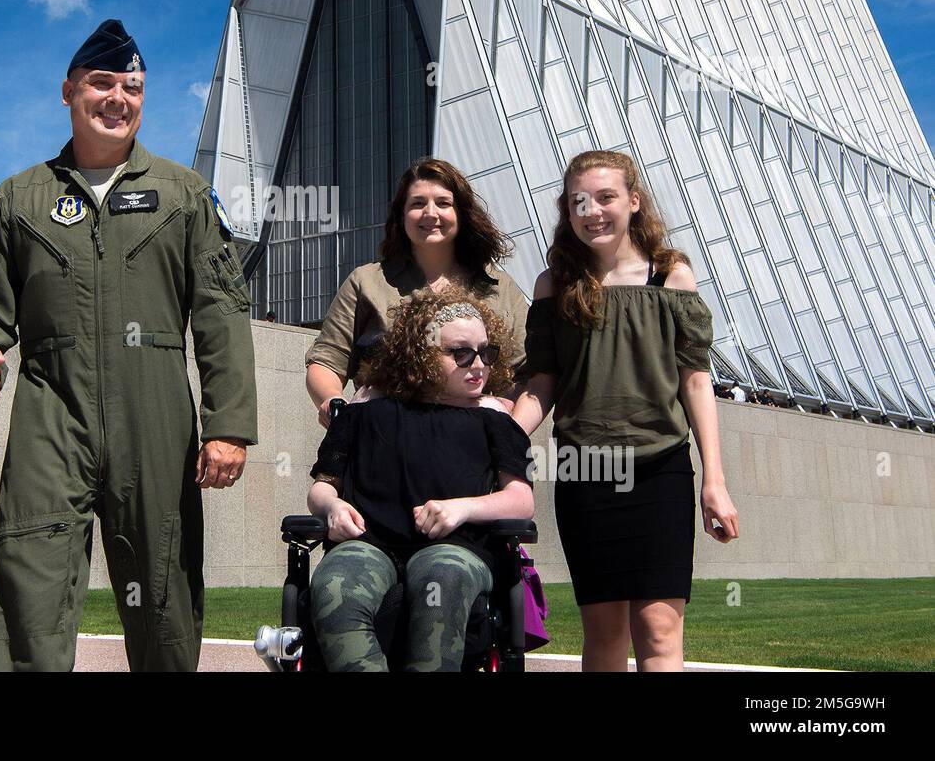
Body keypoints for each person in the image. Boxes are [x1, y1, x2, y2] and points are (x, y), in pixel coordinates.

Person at [0, 18, 257, 672]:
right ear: (69, 92)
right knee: (29, 579)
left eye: (133, 87)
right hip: (50, 415)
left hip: (157, 417)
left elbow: (222, 312)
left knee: (165, 594)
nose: (118, 97)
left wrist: (228, 424)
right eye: (102, 82)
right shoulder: (19, 201)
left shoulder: (184, 196)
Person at [510, 150, 739, 672]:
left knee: (660, 631)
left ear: (634, 202)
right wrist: (496, 436)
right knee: (605, 631)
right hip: (585, 472)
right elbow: (541, 384)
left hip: (661, 470)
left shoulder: (671, 277)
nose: (593, 210)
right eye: (579, 202)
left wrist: (714, 480)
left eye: (606, 197)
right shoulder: (555, 286)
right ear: (567, 212)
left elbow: (696, 381)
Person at [306, 284, 534, 671]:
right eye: (460, 353)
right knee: (337, 585)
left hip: (455, 548)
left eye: (487, 352)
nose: (478, 364)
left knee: (442, 579)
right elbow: (322, 486)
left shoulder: (496, 419)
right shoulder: (365, 410)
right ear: (421, 353)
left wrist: (462, 509)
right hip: (369, 542)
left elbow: (521, 500)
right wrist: (332, 507)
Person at [305, 158, 529, 428]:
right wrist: (333, 400)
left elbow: (527, 372)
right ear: (401, 215)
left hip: (475, 448)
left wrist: (509, 421)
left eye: (443, 203)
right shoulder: (365, 282)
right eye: (417, 203)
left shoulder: (500, 288)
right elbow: (328, 359)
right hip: (385, 439)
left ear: (462, 213)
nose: (430, 213)